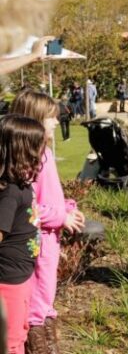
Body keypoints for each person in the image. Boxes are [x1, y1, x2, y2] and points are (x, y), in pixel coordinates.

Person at [10, 91, 85, 354]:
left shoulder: (45, 154)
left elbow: (50, 195)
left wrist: (68, 208)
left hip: (50, 239)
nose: (56, 122)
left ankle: (50, 344)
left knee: (46, 298)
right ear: (35, 120)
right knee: (37, 303)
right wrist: (60, 216)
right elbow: (27, 206)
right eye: (51, 117)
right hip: (36, 240)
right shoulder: (30, 159)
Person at [0, 116, 46, 353]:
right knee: (11, 339)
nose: (42, 153)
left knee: (20, 330)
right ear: (23, 151)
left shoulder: (21, 186)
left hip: (21, 277)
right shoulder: (10, 193)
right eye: (38, 146)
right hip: (8, 282)